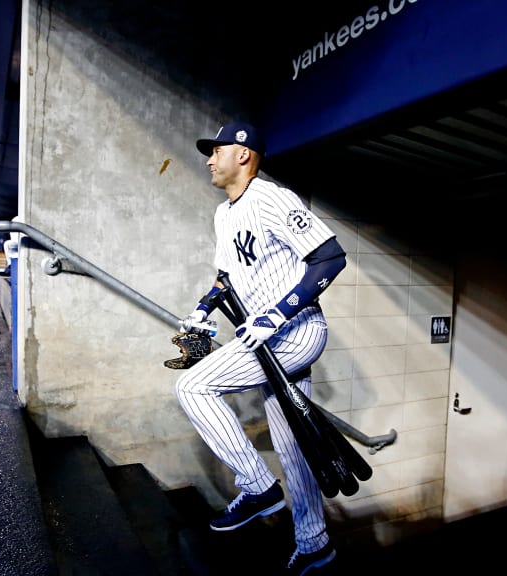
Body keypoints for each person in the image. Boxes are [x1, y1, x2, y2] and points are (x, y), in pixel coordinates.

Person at [174, 121, 347, 575]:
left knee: (193, 387)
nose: (210, 159)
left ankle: (256, 485)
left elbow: (330, 257)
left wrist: (278, 313)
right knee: (293, 448)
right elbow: (226, 276)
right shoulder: (223, 213)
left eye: (217, 150)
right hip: (267, 338)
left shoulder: (273, 198)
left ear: (244, 155)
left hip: (296, 333)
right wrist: (203, 309)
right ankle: (315, 543)